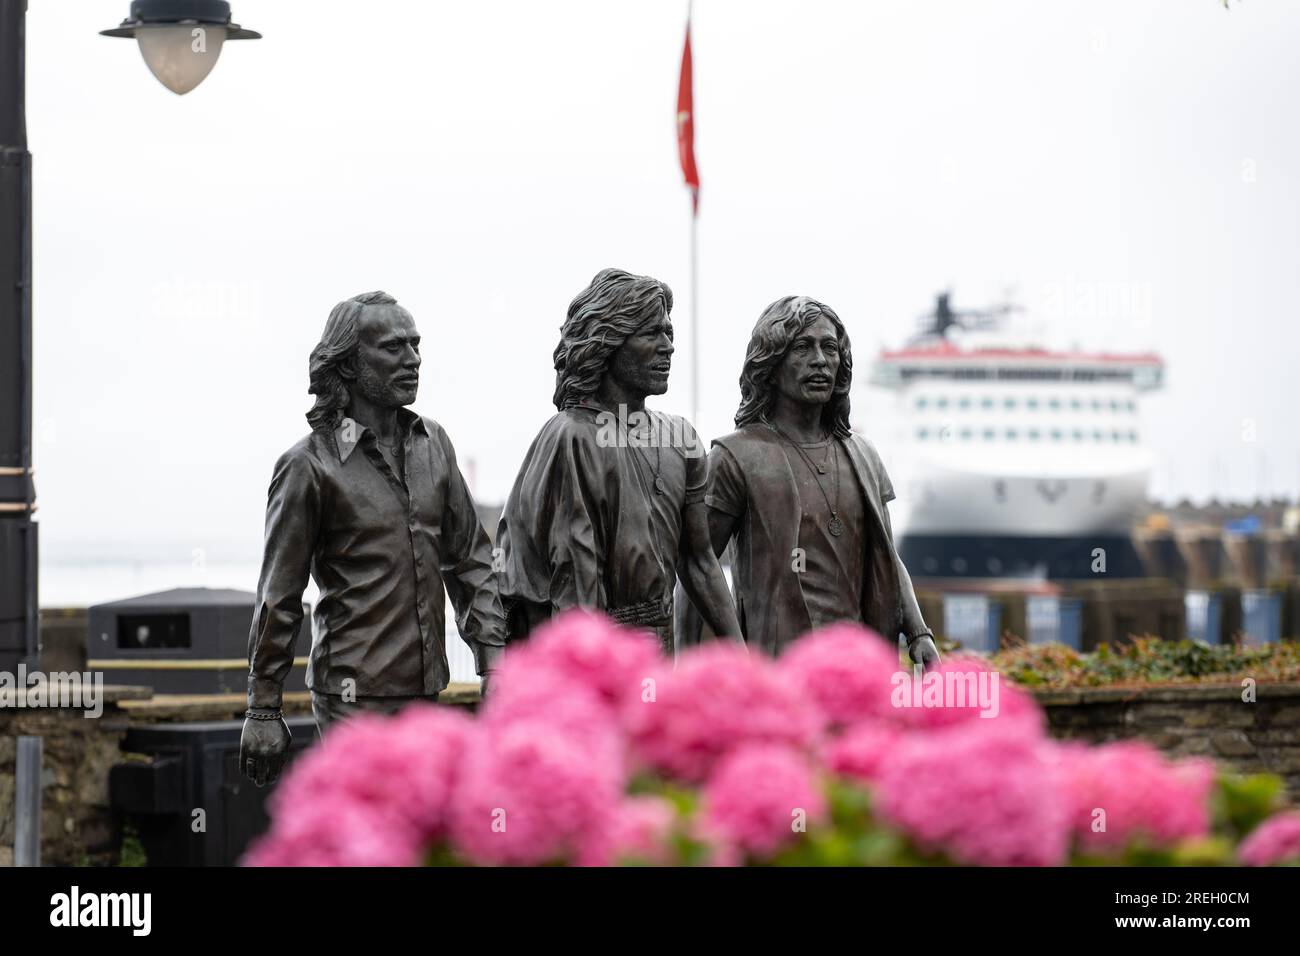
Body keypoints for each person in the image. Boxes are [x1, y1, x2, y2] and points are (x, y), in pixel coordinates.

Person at [239, 291, 506, 786]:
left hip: (428, 692)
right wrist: (262, 707)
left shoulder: (435, 445)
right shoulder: (308, 466)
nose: (413, 359)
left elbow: (470, 561)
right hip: (352, 699)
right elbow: (279, 593)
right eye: (393, 347)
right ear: (348, 362)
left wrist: (493, 663)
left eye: (416, 345)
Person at [682, 295, 940, 666]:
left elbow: (887, 556)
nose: (820, 360)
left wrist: (918, 632)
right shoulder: (736, 456)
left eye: (829, 348)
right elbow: (696, 568)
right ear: (771, 363)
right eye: (803, 347)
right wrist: (681, 669)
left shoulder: (862, 454)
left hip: (859, 670)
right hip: (776, 668)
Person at [495, 268, 741, 654]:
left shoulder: (681, 438)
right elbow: (575, 581)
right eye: (650, 334)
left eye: (669, 333)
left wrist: (742, 656)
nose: (668, 347)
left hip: (658, 651)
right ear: (608, 343)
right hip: (594, 654)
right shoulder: (573, 437)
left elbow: (698, 560)